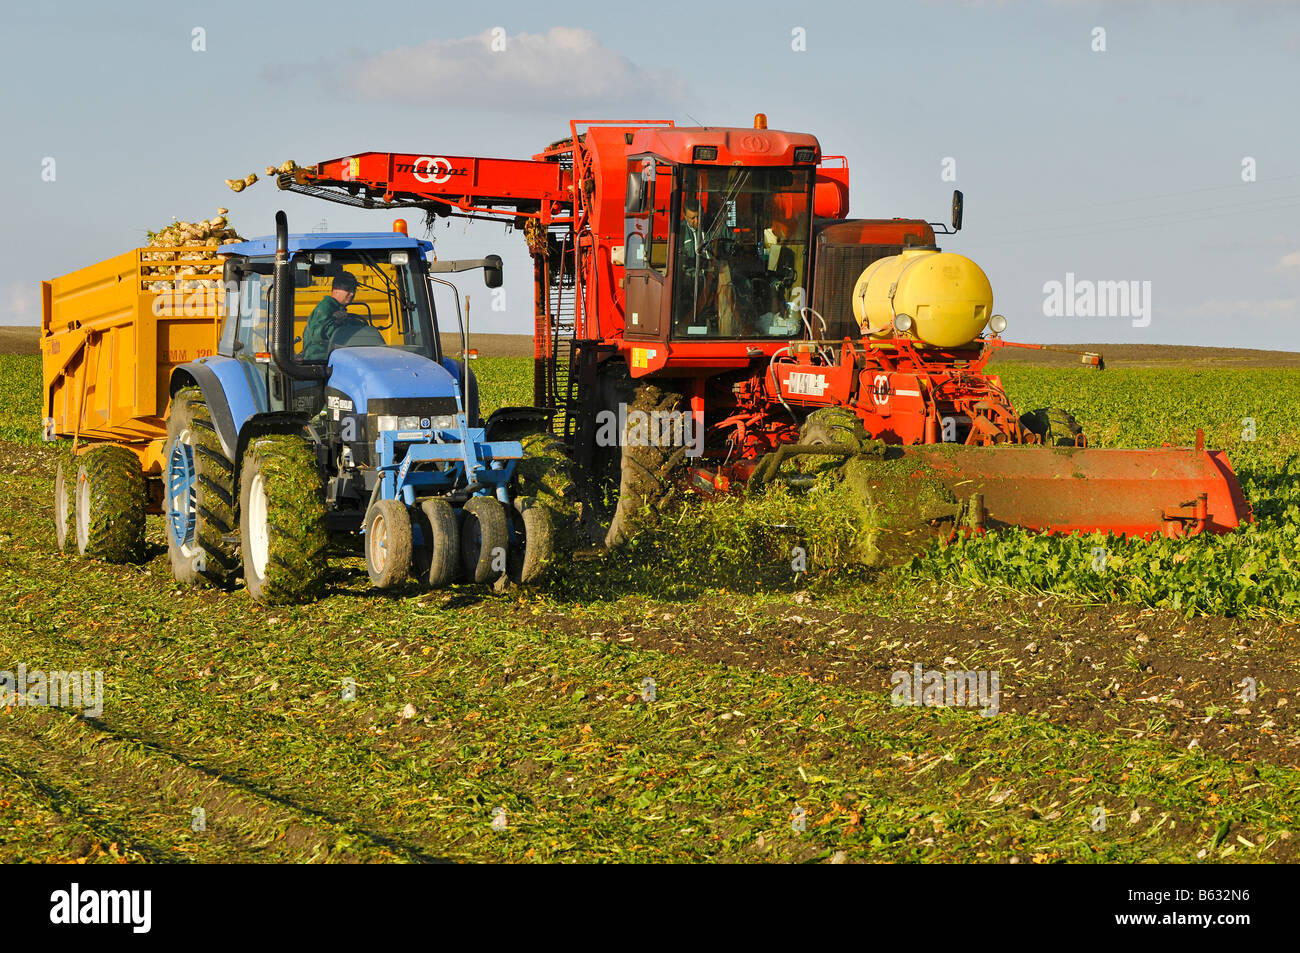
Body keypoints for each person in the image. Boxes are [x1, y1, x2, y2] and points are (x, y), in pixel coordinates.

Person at [301, 272, 360, 361]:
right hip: (319, 361)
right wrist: (337, 323)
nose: (352, 293)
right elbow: (318, 336)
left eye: (354, 289)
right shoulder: (325, 307)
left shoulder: (338, 308)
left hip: (333, 358)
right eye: (348, 289)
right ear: (335, 290)